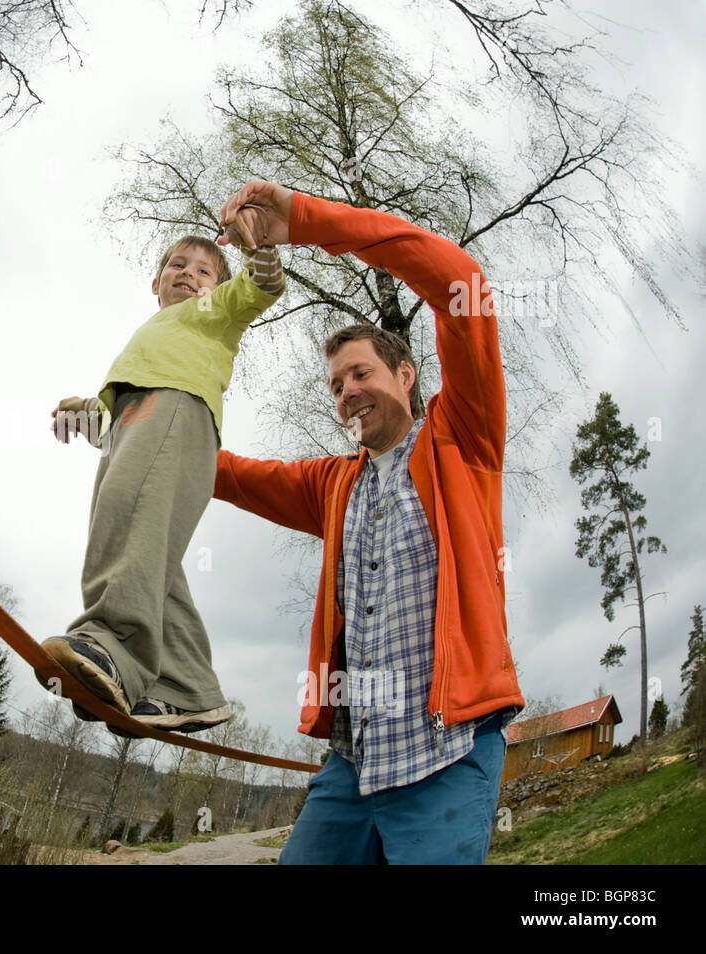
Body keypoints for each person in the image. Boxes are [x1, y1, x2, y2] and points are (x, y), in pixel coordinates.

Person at [211, 179, 524, 863]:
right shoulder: (334, 485)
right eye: (336, 386)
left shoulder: (462, 438)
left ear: (406, 376)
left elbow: (459, 279)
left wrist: (303, 220)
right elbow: (227, 474)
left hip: (449, 750)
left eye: (359, 374)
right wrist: (136, 425)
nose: (348, 392)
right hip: (355, 763)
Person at [42, 231, 286, 734]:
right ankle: (185, 685)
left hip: (176, 408)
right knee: (149, 549)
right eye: (178, 265)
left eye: (203, 271)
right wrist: (85, 414)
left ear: (216, 287)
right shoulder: (155, 329)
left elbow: (262, 286)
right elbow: (116, 412)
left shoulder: (216, 312)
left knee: (129, 524)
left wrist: (257, 246)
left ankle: (113, 648)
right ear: (156, 282)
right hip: (137, 420)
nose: (188, 274)